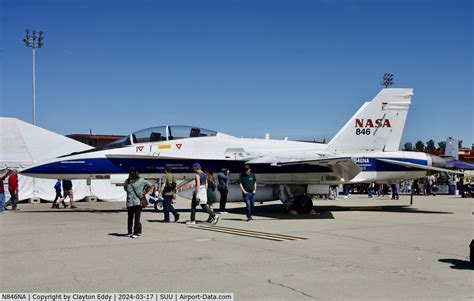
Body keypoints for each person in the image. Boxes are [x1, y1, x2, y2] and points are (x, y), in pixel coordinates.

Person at [124, 167, 151, 238]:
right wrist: (144, 192)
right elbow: (150, 185)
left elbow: (125, 189)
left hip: (129, 202)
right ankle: (135, 233)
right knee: (137, 218)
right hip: (137, 202)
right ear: (137, 173)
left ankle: (129, 232)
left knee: (130, 218)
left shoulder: (127, 181)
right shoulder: (141, 180)